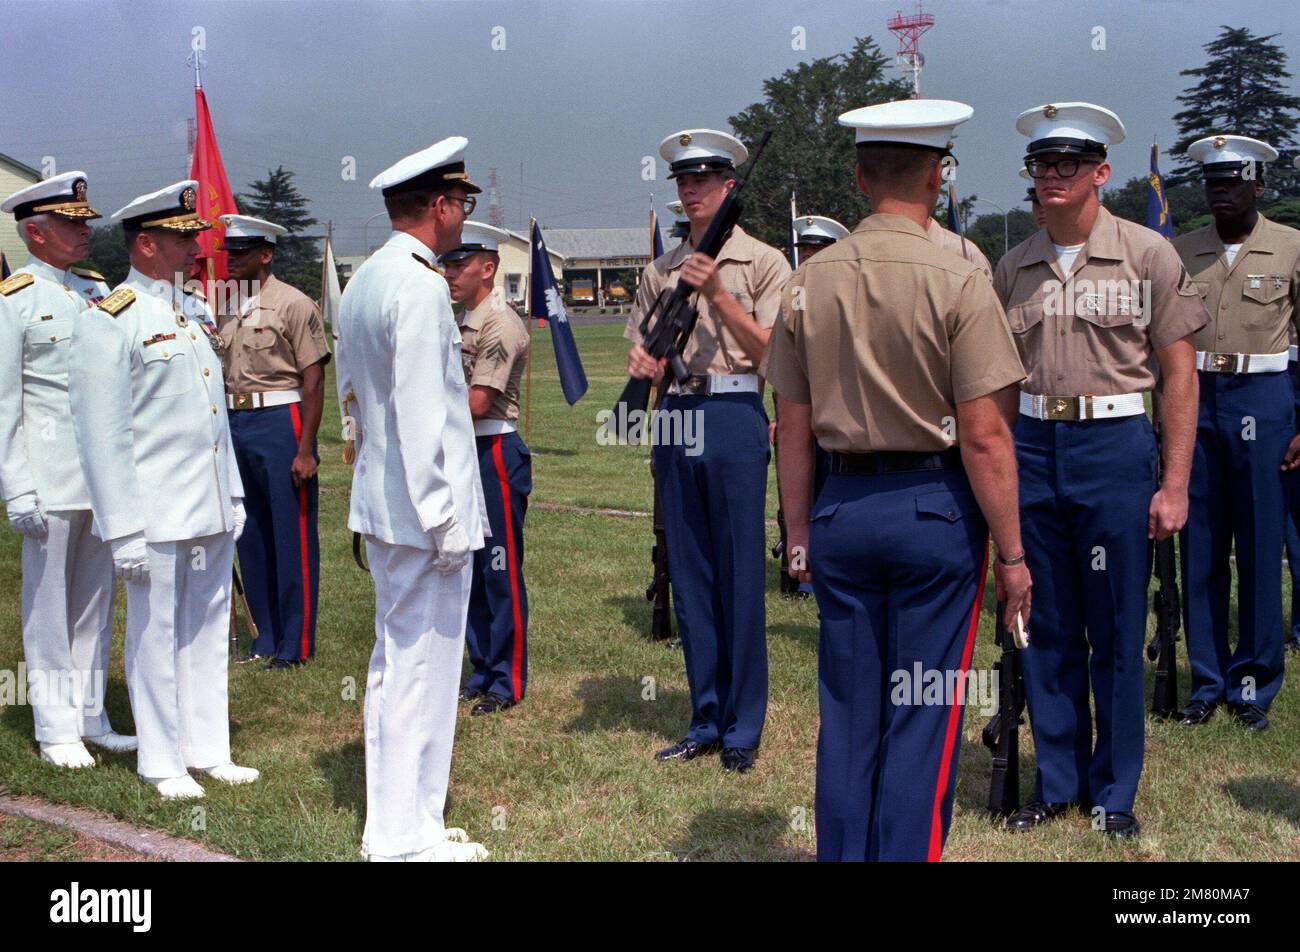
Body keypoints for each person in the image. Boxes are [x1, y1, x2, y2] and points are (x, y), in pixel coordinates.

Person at [765, 98, 1029, 861]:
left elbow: (792, 427)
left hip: (842, 509)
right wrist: (1012, 557)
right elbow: (984, 436)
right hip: (932, 512)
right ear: (938, 177)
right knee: (922, 715)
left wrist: (800, 535)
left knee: (850, 717)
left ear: (858, 177)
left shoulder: (808, 282)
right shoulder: (960, 278)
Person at [994, 103, 1205, 838]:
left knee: (1116, 626)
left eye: (1069, 165)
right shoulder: (1012, 266)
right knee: (1045, 622)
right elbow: (995, 384)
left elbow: (1180, 376)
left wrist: (1174, 484)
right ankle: (1058, 782)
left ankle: (1115, 791)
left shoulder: (1149, 255)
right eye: (1041, 165)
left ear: (1100, 174)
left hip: (1114, 450)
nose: (1052, 177)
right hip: (1032, 448)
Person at [68, 180, 258, 800]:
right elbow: (103, 435)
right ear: (146, 244)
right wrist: (120, 527)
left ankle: (206, 747)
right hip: (153, 511)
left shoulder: (193, 312)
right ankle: (160, 759)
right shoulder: (110, 320)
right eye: (181, 239)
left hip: (203, 502)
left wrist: (231, 493)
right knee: (153, 631)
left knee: (207, 624)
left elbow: (212, 419)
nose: (194, 248)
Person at [336, 137, 489, 862]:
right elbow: (425, 414)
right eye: (461, 202)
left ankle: (410, 821)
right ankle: (399, 836)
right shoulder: (423, 285)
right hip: (423, 513)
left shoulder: (367, 278)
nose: (463, 214)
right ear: (439, 205)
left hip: (386, 503)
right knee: (418, 668)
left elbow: (359, 402)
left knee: (400, 666)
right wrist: (444, 517)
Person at [625, 128, 791, 773]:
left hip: (732, 412)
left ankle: (744, 727)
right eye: (683, 181)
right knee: (690, 572)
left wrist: (719, 292)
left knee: (739, 573)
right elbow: (648, 351)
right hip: (678, 414)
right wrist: (645, 364)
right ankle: (705, 717)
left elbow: (772, 355)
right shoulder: (658, 271)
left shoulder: (766, 263)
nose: (692, 190)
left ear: (729, 188)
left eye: (704, 179)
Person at [0, 172, 135, 767]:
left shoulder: (92, 289)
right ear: (35, 232)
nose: (85, 232)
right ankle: (55, 726)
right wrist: (16, 485)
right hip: (48, 475)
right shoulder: (16, 300)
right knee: (49, 604)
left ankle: (90, 714)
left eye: (84, 221)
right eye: (71, 224)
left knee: (94, 600)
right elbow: (5, 401)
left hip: (98, 477)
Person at [1172, 136, 1300, 730]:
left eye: (1233, 184)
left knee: (1257, 543)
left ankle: (1252, 684)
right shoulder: (1181, 253)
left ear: (1258, 187)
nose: (1220, 194)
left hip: (1264, 399)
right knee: (1199, 543)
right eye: (1212, 184)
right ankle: (1206, 679)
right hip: (1196, 399)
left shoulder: (1291, 248)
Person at [216, 214, 331, 670]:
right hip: (234, 420)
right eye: (230, 251)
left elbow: (314, 379)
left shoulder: (293, 303)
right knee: (250, 532)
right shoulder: (222, 305)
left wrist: (305, 448)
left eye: (243, 251)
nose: (234, 259)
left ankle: (295, 643)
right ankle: (263, 635)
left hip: (280, 419)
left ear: (266, 254)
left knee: (291, 533)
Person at [440, 221, 532, 716]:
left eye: (460, 264)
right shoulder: (462, 321)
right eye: (448, 263)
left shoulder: (500, 323)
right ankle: (481, 668)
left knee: (499, 567)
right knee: (470, 564)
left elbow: (478, 402)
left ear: (488, 268)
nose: (451, 272)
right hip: (463, 452)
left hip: (492, 451)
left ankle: (507, 678)